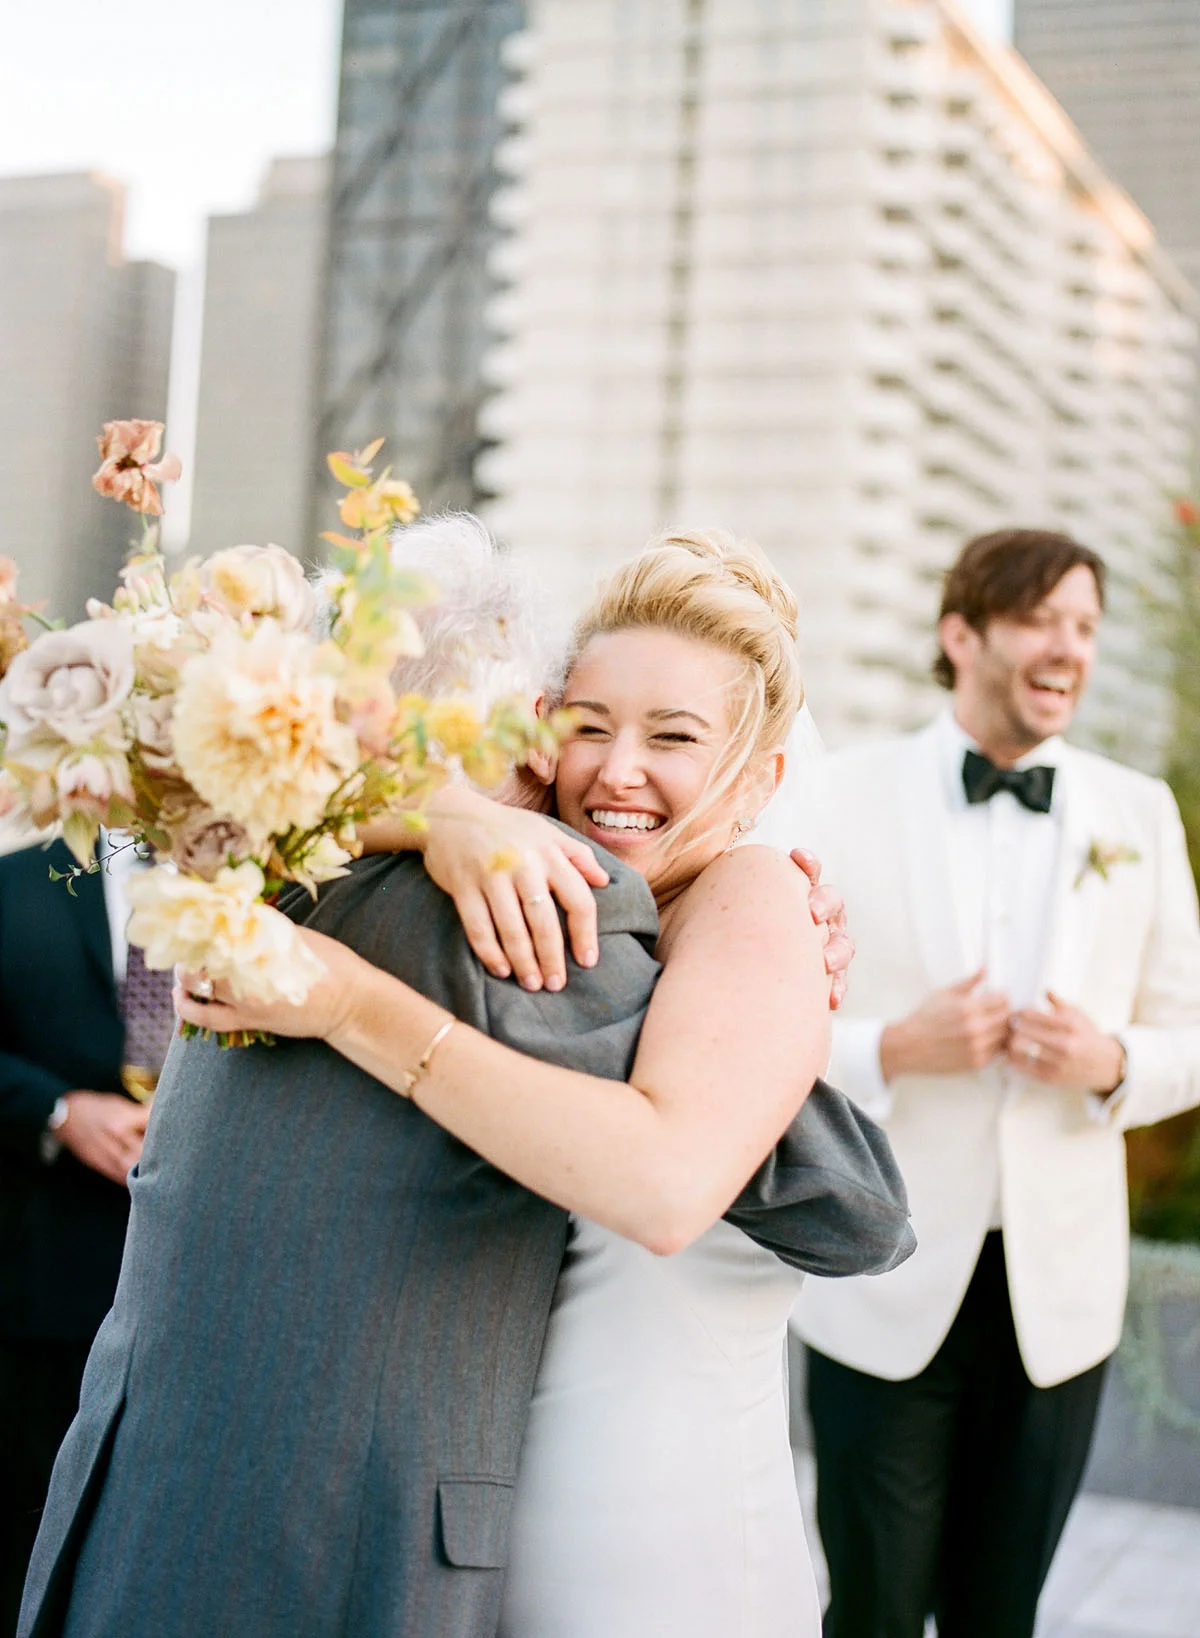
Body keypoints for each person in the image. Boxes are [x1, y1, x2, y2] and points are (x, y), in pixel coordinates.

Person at [21, 519, 910, 1638]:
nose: (608, 769)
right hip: (423, 1526)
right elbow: (855, 1205)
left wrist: (361, 988)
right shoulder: (528, 908)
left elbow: (790, 1197)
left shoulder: (285, 885)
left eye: (672, 736)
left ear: (759, 777)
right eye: (583, 726)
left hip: (630, 1537)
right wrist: (444, 820)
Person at [787, 529, 1200, 1638]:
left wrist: (1114, 1064)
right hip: (882, 1270)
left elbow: (1191, 1033)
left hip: (1058, 1299)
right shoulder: (839, 795)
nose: (1069, 647)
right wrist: (891, 1048)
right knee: (872, 1612)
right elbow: (762, 1025)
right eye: (1038, 620)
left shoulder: (1138, 813)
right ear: (961, 635)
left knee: (1000, 1615)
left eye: (1086, 626)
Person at [0, 834, 167, 1632]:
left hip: (218, 1285)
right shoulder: (16, 883)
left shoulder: (277, 872)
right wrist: (58, 1111)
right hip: (53, 1279)